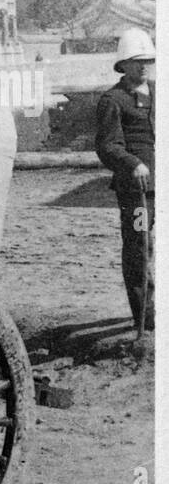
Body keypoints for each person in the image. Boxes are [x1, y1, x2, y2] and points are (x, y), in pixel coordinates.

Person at [95, 27, 156, 333]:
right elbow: (107, 145)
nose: (143, 66)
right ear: (124, 65)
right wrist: (132, 163)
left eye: (148, 60)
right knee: (139, 248)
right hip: (137, 191)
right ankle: (146, 317)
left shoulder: (160, 92)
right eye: (137, 61)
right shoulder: (113, 100)